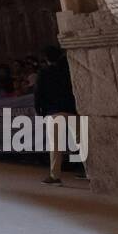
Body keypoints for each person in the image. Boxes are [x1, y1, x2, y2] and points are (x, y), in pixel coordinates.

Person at [35, 45, 77, 186]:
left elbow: (38, 93)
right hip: (72, 109)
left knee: (56, 145)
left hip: (54, 111)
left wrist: (39, 110)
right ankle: (90, 172)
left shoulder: (44, 73)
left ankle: (55, 176)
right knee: (81, 142)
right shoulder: (68, 69)